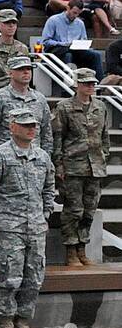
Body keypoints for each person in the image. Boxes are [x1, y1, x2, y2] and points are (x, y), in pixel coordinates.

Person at [0, 109, 55, 328]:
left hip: (35, 226)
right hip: (8, 227)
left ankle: (23, 321)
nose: (31, 129)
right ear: (12, 127)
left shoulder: (42, 157)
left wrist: (45, 214)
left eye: (33, 125)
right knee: (9, 278)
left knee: (34, 277)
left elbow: (48, 189)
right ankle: (5, 322)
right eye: (25, 125)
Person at [52, 69, 108, 267]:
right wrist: (58, 164)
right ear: (77, 85)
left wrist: (104, 156)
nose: (90, 87)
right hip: (73, 166)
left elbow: (104, 137)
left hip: (95, 167)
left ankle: (82, 248)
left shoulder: (100, 107)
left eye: (92, 83)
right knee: (73, 210)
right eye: (86, 83)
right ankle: (71, 251)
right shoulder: (64, 107)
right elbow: (57, 137)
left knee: (89, 211)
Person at [40, 0, 104, 78]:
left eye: (78, 14)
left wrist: (82, 44)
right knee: (68, 54)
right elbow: (46, 41)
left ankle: (100, 84)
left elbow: (83, 39)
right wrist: (64, 44)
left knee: (95, 55)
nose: (76, 16)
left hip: (75, 50)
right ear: (68, 8)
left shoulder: (80, 23)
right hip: (57, 50)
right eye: (74, 12)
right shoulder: (53, 20)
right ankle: (69, 83)